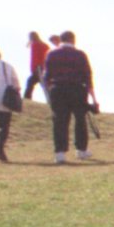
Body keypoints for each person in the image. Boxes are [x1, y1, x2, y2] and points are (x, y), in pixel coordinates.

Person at [42, 29, 98, 163]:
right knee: (80, 119)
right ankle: (81, 150)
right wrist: (93, 97)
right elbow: (88, 76)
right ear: (73, 40)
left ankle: (60, 152)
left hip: (58, 88)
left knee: (60, 121)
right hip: (77, 89)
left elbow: (46, 76)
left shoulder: (52, 54)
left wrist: (50, 90)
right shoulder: (80, 55)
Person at [24, 31, 51, 100]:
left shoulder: (35, 44)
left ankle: (27, 98)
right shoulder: (45, 45)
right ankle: (51, 99)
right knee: (44, 85)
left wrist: (34, 68)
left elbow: (35, 57)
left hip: (38, 68)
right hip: (45, 68)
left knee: (31, 83)